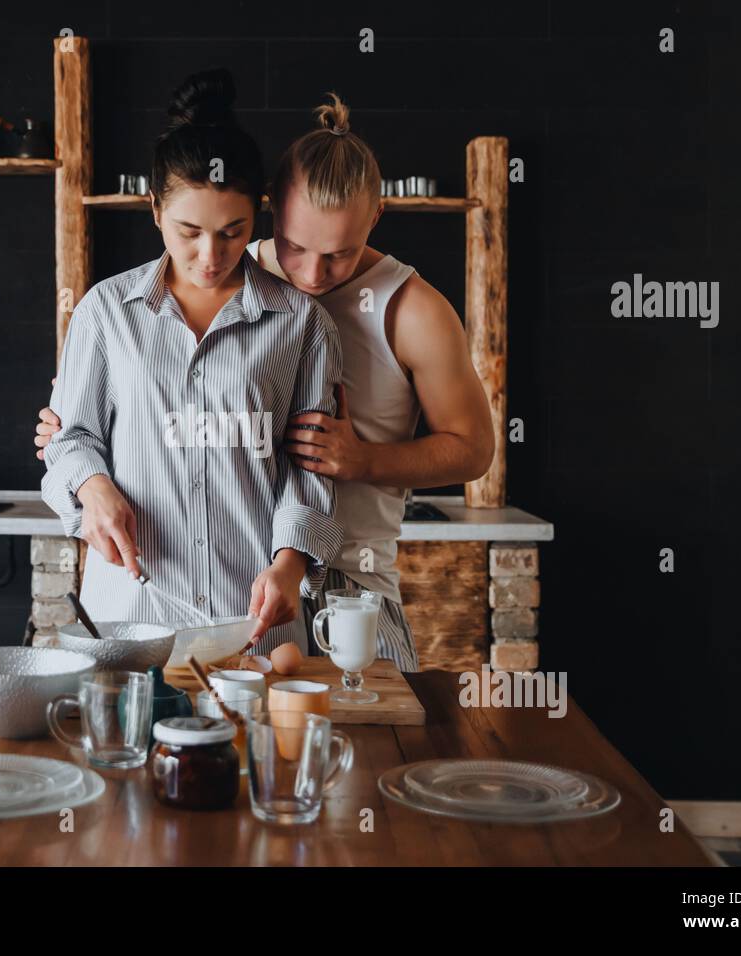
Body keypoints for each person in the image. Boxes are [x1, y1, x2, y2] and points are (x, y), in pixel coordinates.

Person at [38, 92, 493, 672]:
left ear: (376, 218)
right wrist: (80, 459)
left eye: (339, 254)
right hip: (179, 597)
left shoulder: (398, 311)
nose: (310, 273)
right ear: (272, 210)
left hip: (347, 577)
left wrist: (358, 462)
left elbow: (474, 449)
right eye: (295, 247)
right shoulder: (204, 266)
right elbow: (82, 430)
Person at [41, 70, 343, 656]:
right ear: (154, 210)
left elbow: (310, 466)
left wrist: (289, 565)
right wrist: (92, 484)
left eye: (233, 233)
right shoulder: (105, 312)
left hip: (253, 622)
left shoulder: (302, 323)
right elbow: (68, 435)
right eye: (190, 232)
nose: (211, 256)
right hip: (131, 622)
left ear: (257, 213)